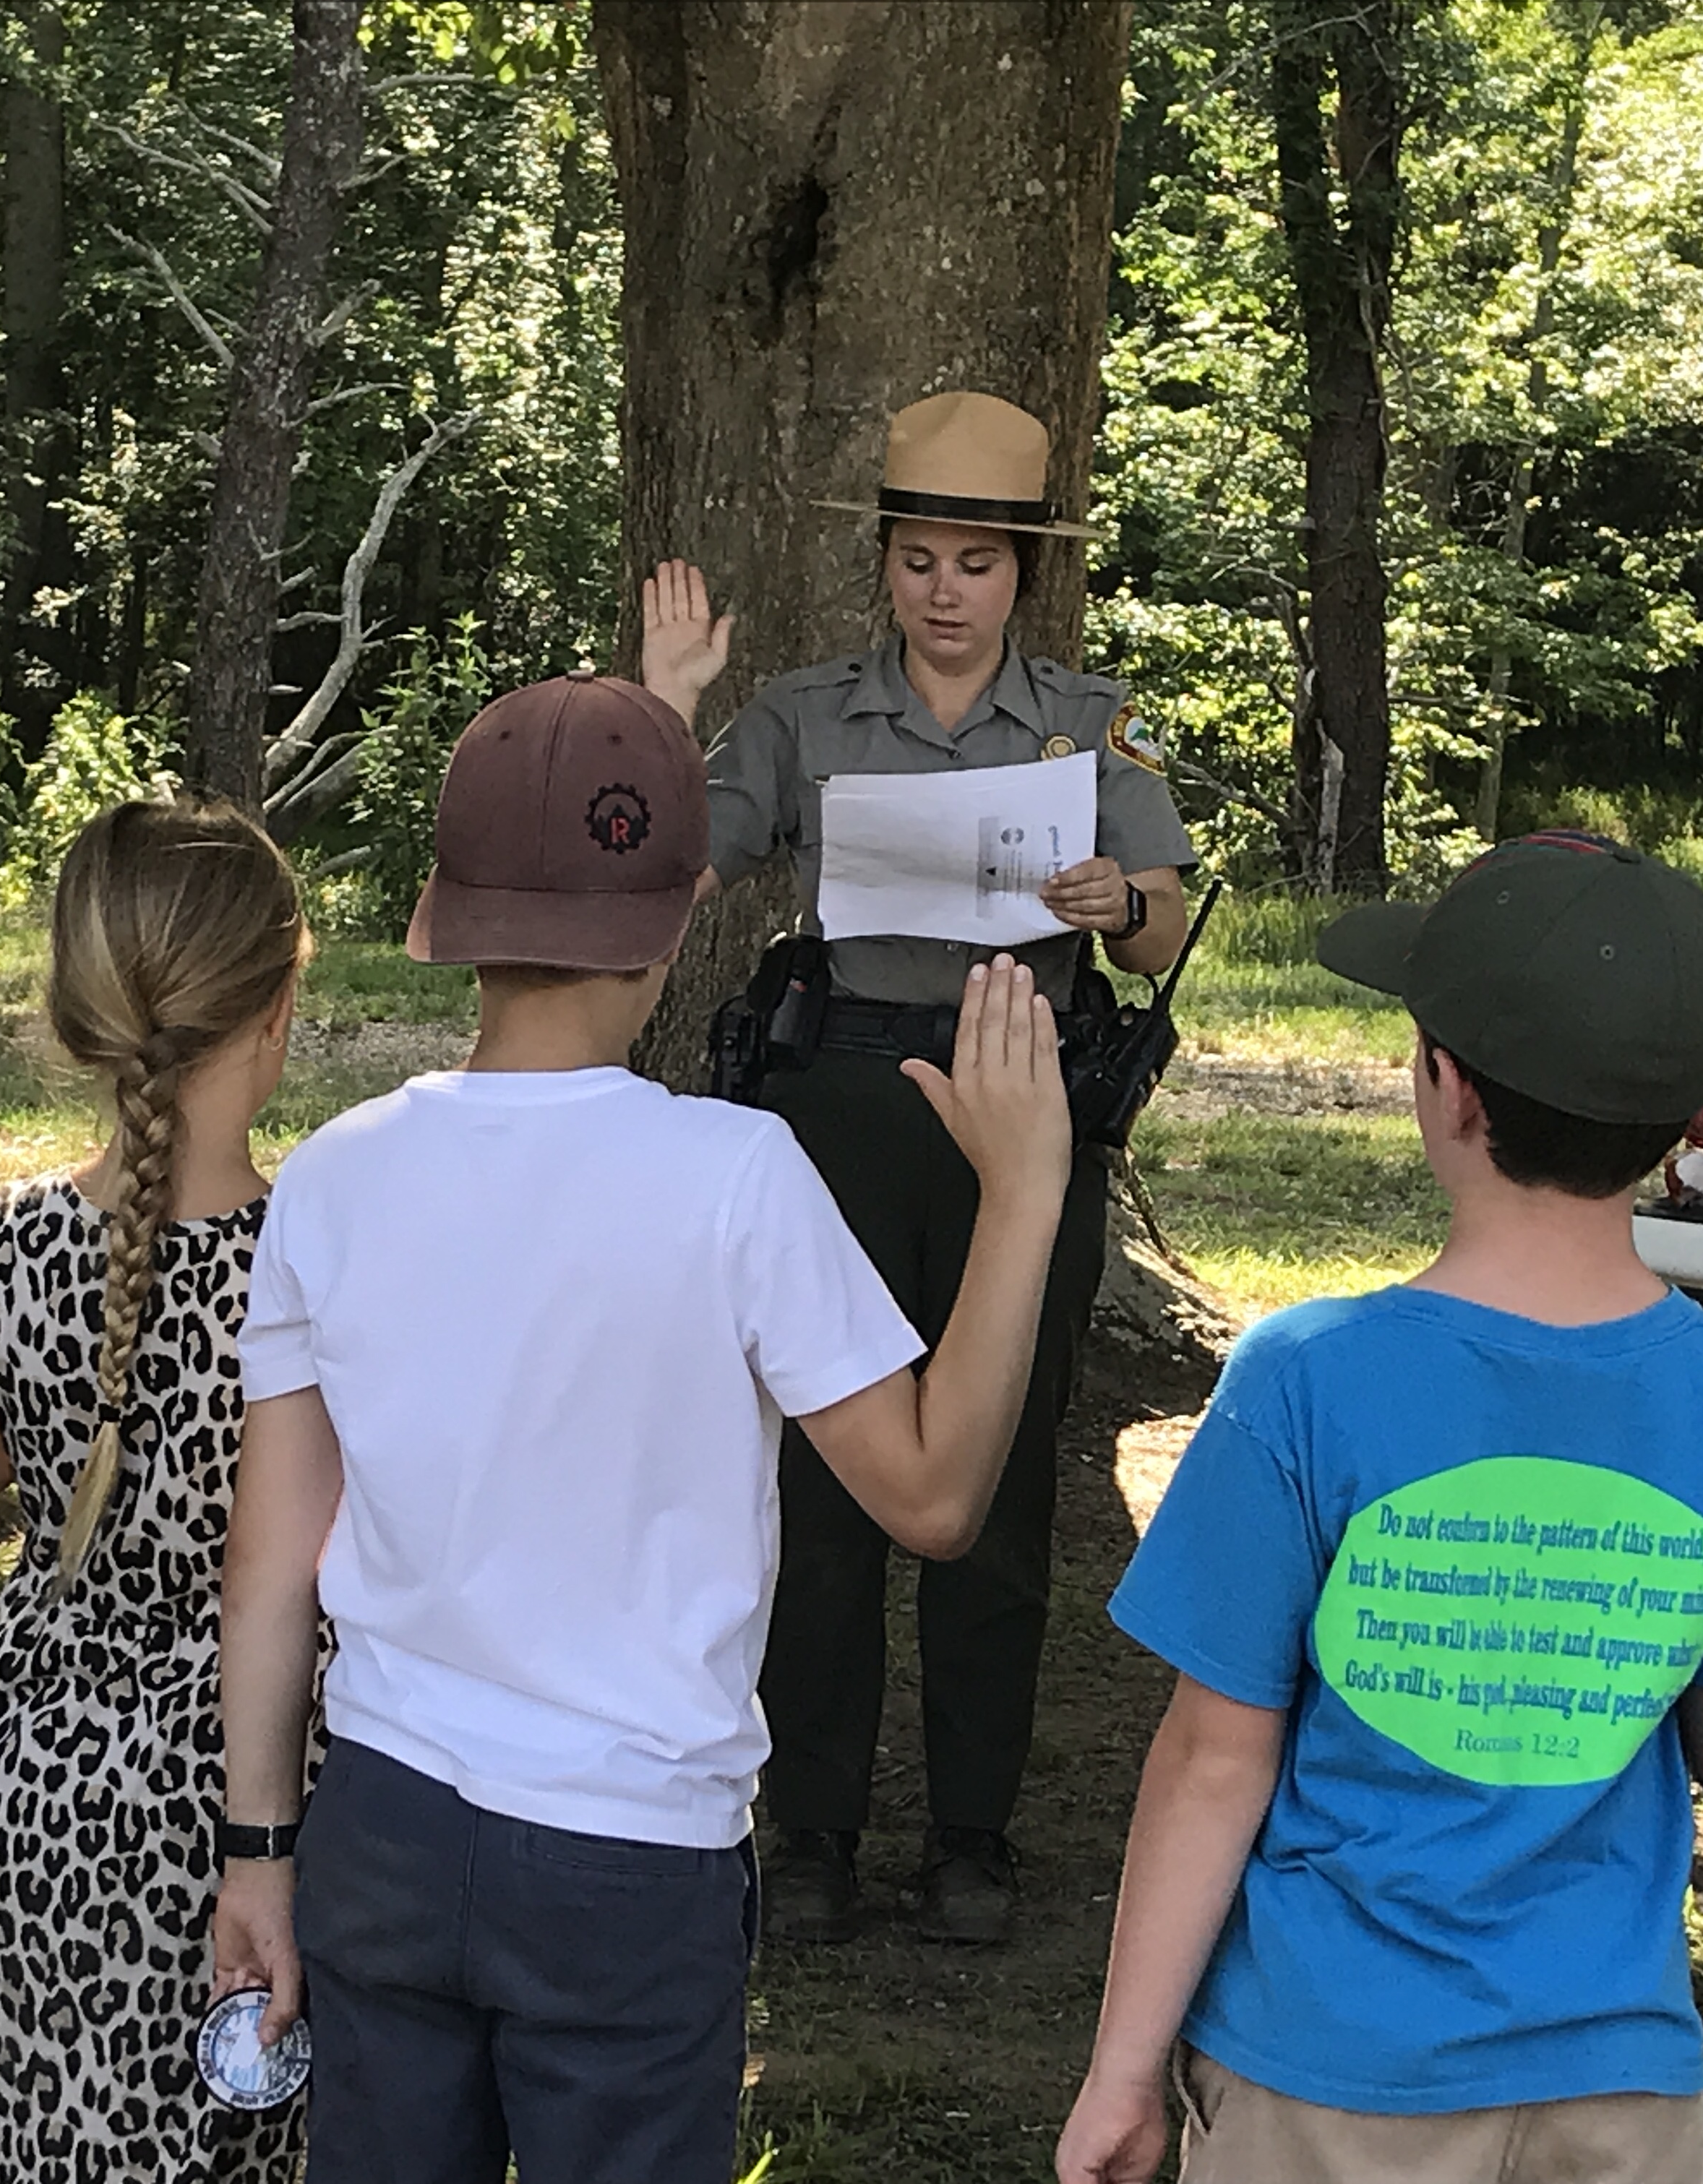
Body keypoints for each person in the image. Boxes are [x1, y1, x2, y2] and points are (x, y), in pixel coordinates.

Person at [209, 668, 1071, 2183]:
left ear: (443, 908)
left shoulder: (334, 1175)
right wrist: (1022, 1196)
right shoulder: (737, 1174)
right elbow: (933, 1496)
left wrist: (255, 1848)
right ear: (682, 912)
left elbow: (270, 1567)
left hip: (384, 1830)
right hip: (628, 1854)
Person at [1055, 833, 1703, 2184]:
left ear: (1444, 1086)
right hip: (1614, 2090)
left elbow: (1211, 1760)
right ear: (1690, 1111)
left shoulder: (1306, 1377)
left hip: (1323, 2074)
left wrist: (1123, 2072)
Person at [639, 389, 1197, 1944]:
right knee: (824, 1472)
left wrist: (1109, 900)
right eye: (917, 560)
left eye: (976, 562)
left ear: (1024, 572)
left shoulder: (1091, 722)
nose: (944, 591)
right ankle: (807, 1822)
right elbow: (684, 851)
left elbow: (1163, 920)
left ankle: (972, 1831)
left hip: (1026, 1087)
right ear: (882, 566)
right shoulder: (808, 715)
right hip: (844, 1093)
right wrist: (665, 705)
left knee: (1003, 1475)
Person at [0, 797, 320, 2183]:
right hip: (243, 1802)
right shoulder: (314, 1258)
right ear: (282, 1002)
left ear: (78, 1011)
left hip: (36, 1794)